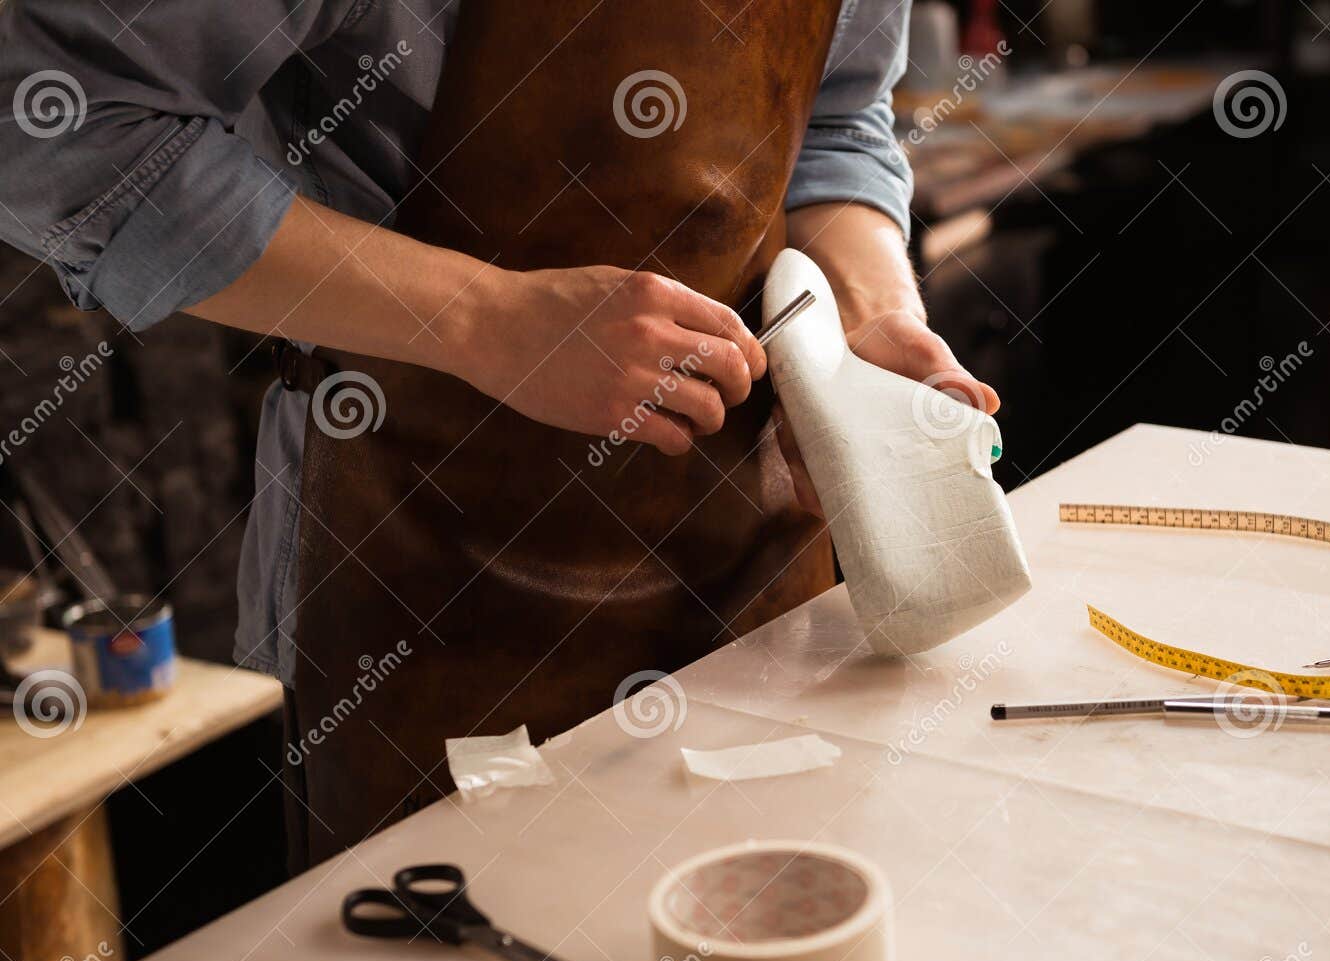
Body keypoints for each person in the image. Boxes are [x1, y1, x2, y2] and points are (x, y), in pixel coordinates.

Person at [0, 0, 998, 868]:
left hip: (748, 541)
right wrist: (482, 318)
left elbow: (832, 119)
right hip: (421, 563)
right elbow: (48, 125)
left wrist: (869, 315)